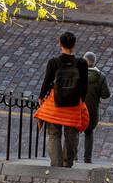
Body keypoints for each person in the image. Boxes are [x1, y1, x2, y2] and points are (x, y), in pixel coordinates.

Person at [34, 31, 90, 168]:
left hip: (56, 105)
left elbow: (46, 83)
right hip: (73, 106)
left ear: (60, 44)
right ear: (74, 45)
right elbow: (84, 86)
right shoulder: (82, 63)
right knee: (71, 135)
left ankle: (56, 165)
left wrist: (41, 97)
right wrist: (81, 100)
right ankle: (67, 163)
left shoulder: (54, 62)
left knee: (54, 134)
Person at [82, 51, 111, 165]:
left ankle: (72, 157)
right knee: (89, 133)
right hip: (92, 110)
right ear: (94, 63)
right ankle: (87, 159)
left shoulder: (77, 73)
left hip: (78, 109)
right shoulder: (101, 77)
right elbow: (105, 95)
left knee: (73, 132)